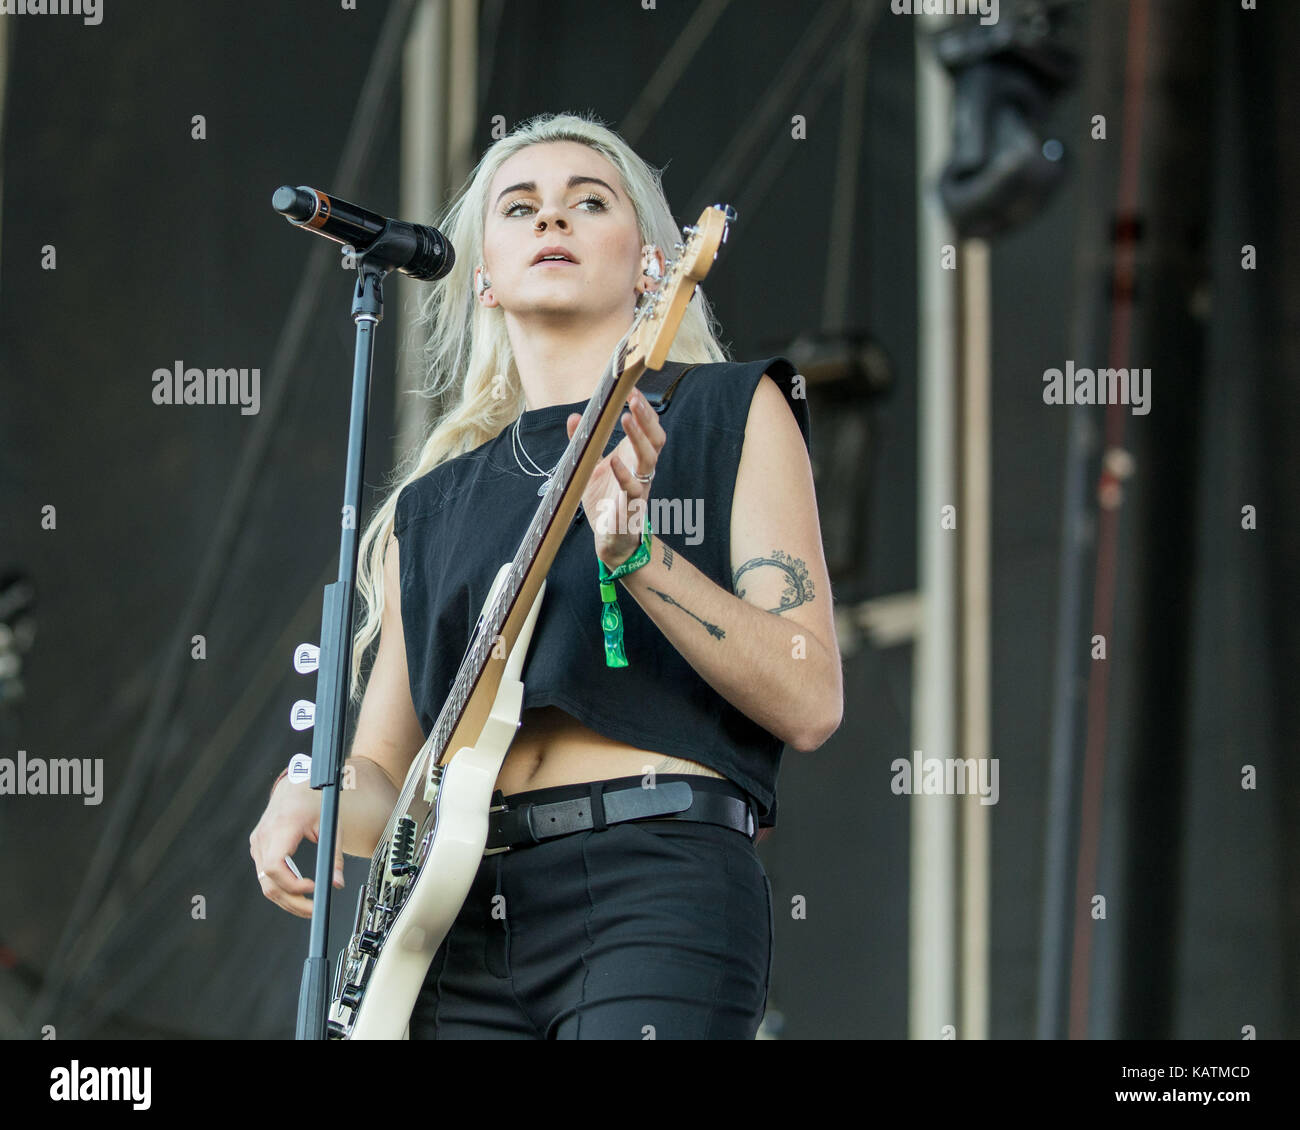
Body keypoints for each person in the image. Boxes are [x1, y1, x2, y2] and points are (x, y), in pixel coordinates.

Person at [249, 111, 843, 1039]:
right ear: (482, 273)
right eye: (519, 207)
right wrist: (314, 795)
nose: (551, 222)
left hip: (656, 884)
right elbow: (387, 775)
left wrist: (638, 557)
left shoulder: (729, 409)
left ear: (654, 262)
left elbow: (809, 696)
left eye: (587, 202)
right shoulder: (431, 506)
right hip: (456, 918)